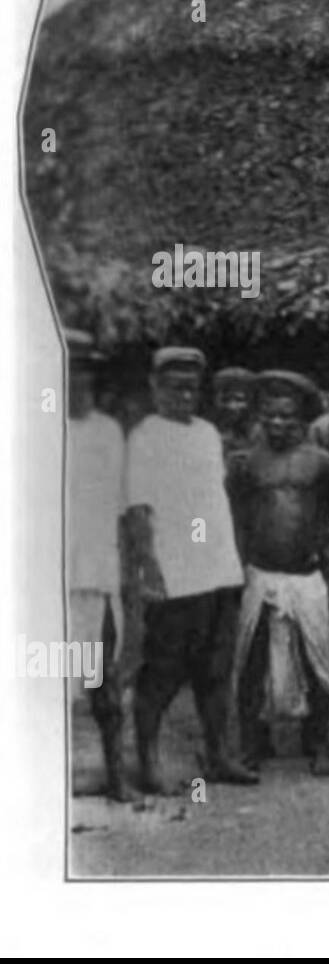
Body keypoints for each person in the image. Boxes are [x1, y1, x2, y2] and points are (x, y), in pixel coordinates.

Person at [124, 347, 257, 792]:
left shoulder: (207, 433)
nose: (184, 396)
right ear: (155, 387)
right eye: (175, 387)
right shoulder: (145, 437)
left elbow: (213, 500)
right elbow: (138, 509)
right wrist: (149, 568)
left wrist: (233, 562)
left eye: (191, 388)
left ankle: (218, 756)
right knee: (163, 671)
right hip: (175, 574)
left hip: (218, 570)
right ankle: (148, 763)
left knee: (216, 671)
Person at [227, 371, 329, 776]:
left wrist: (323, 547)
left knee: (317, 659)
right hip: (260, 575)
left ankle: (319, 741)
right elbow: (238, 515)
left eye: (287, 417)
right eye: (270, 416)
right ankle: (253, 741)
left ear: (303, 419)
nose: (277, 424)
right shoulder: (245, 463)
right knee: (253, 660)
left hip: (307, 577)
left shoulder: (324, 464)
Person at [65, 329, 133, 802]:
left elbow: (124, 507)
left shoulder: (109, 432)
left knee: (104, 680)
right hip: (45, 580)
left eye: (84, 371)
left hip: (99, 574)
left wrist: (129, 573)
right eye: (68, 371)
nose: (76, 381)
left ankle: (117, 775)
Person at [213, 367, 261, 458]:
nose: (231, 406)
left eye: (239, 400)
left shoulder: (259, 434)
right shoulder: (210, 431)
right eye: (226, 399)